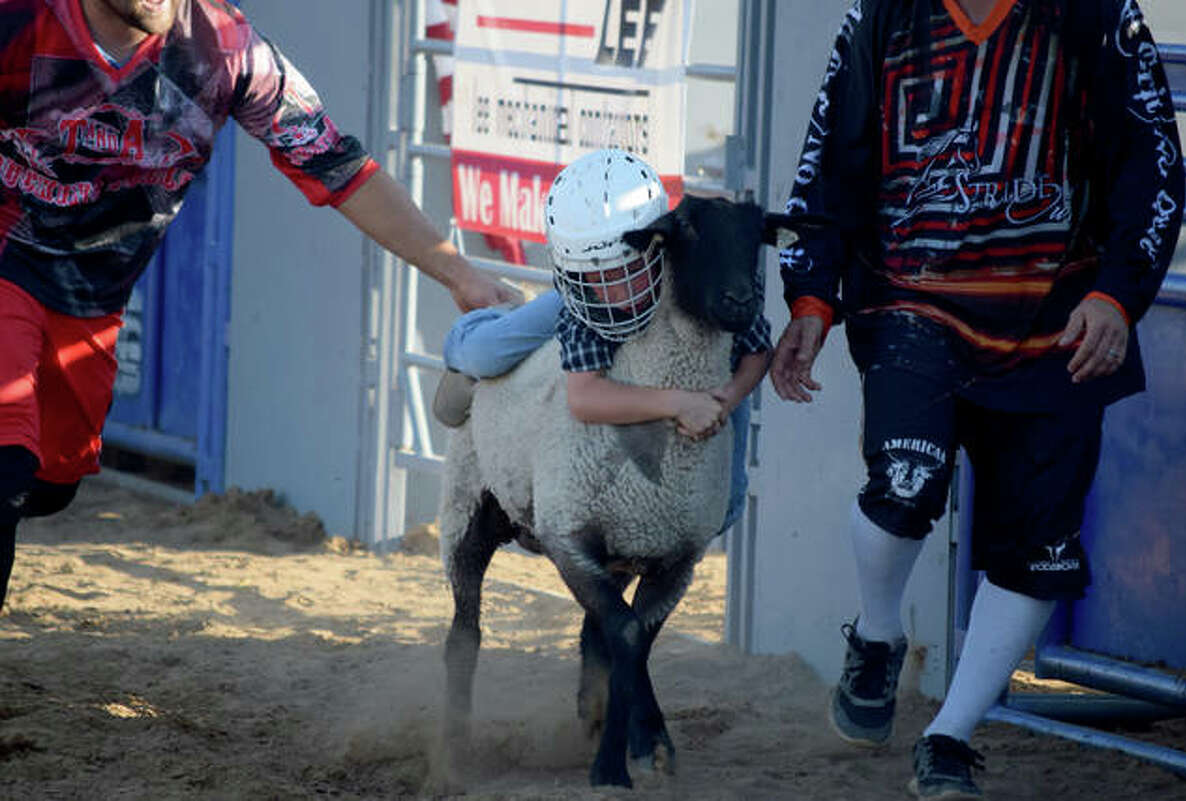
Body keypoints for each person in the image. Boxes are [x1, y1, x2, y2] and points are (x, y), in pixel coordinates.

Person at [770, 0, 1185, 797]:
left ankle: (949, 737)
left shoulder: (1100, 12)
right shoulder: (880, 12)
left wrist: (1118, 293)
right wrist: (812, 297)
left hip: (1061, 318)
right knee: (903, 484)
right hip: (910, 301)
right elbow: (830, 158)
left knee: (1039, 552)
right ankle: (879, 635)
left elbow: (1151, 157)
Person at [0, 0, 520, 611]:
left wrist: (459, 274)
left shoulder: (227, 49)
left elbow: (338, 164)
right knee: (5, 468)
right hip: (8, 264)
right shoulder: (19, 20)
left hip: (92, 302)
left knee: (48, 487)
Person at [435, 148, 773, 535]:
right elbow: (583, 397)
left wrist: (722, 401)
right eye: (596, 274)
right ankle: (487, 323)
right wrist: (680, 403)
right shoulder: (591, 296)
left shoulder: (706, 282)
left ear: (657, 242)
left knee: (726, 506)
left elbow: (757, 348)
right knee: (483, 354)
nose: (615, 291)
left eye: (627, 269)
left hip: (666, 308)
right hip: (579, 303)